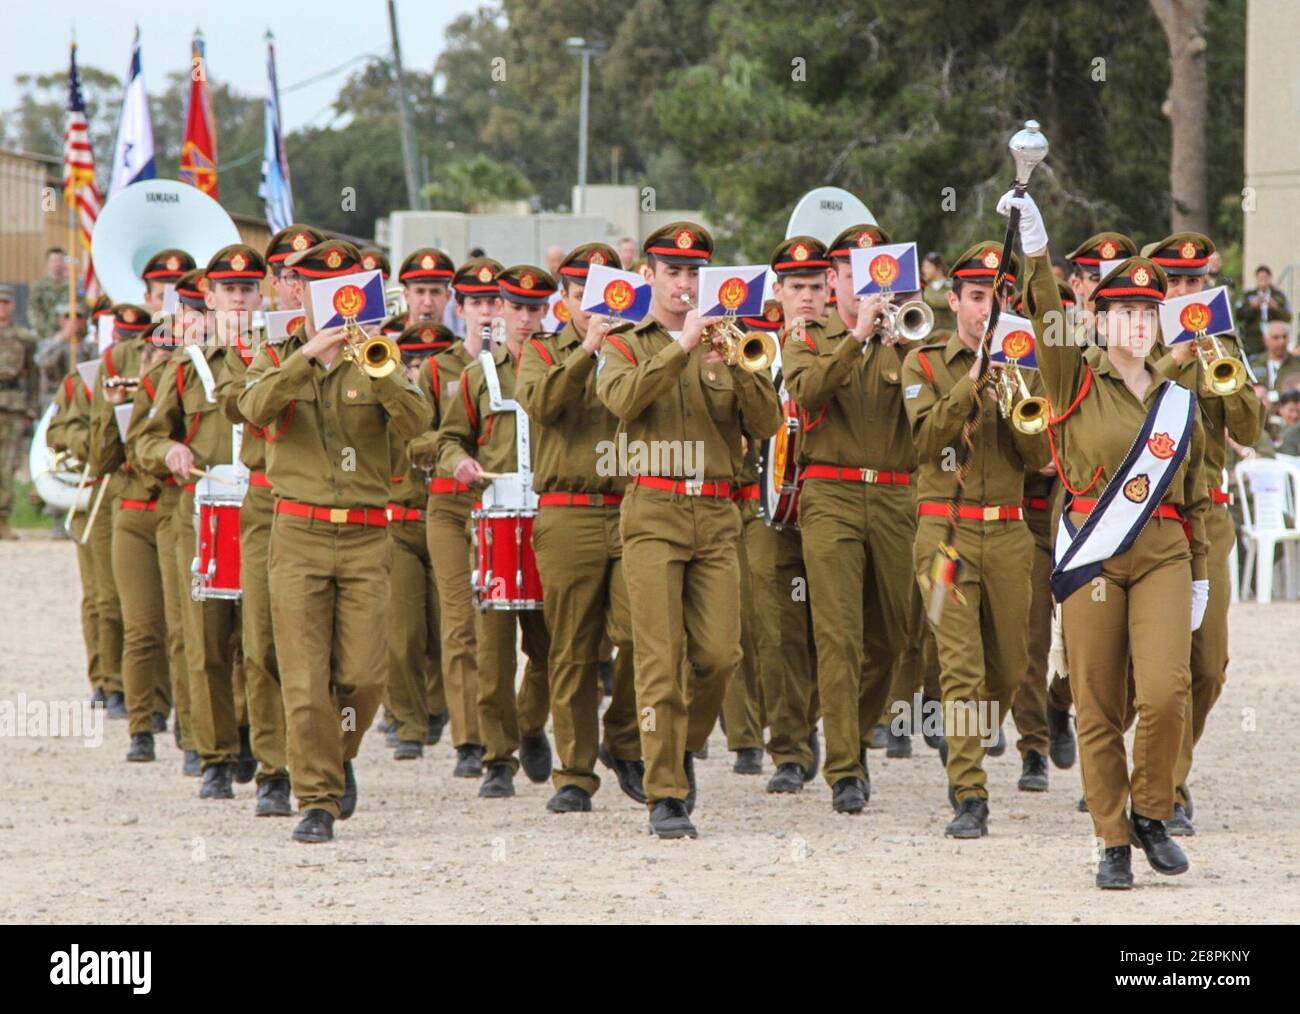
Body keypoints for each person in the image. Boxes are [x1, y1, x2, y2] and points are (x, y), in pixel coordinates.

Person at [1010, 187, 1209, 889]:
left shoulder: (1177, 392)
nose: (1134, 323)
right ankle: (1112, 838)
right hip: (1095, 550)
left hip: (1164, 549)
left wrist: (1204, 571)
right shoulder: (1071, 374)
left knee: (1164, 691)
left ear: (1158, 322)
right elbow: (1041, 311)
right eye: (1122, 310)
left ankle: (1153, 811)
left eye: (1145, 312)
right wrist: (1037, 250)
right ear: (1097, 317)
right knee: (1095, 701)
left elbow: (1192, 487)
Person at [237, 239, 432, 843]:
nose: (333, 299)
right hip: (296, 532)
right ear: (302, 294)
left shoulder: (381, 354)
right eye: (319, 288)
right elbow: (251, 409)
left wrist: (381, 368)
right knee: (302, 677)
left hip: (368, 536)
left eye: (346, 288)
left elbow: (421, 426)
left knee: (364, 677)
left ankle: (336, 750)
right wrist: (310, 357)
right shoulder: (275, 352)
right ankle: (316, 798)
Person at [596, 221, 782, 838]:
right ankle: (665, 795)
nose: (683, 284)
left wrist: (742, 362)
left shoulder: (728, 342)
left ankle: (674, 751)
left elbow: (768, 424)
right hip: (652, 511)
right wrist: (681, 348)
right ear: (648, 276)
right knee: (658, 657)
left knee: (720, 656)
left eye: (693, 273)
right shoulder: (627, 342)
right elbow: (623, 401)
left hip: (718, 513)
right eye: (671, 272)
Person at [901, 241, 1051, 839]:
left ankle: (966, 734)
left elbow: (1042, 458)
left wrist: (1014, 397)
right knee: (960, 667)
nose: (986, 310)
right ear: (955, 299)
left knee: (1010, 668)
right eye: (977, 298)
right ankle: (969, 793)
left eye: (998, 298)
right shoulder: (924, 363)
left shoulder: (1026, 364)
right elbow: (925, 439)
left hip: (1011, 532)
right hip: (945, 534)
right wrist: (971, 383)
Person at [780, 233, 921, 815]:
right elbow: (808, 393)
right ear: (833, 280)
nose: (859, 282)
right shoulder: (807, 337)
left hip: (895, 496)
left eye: (873, 272)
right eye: (845, 270)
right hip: (830, 492)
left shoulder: (910, 338)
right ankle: (843, 767)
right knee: (837, 634)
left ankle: (856, 736)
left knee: (895, 636)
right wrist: (858, 335)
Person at [516, 242, 645, 811]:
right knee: (571, 648)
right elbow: (542, 407)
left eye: (603, 297)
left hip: (630, 508)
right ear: (563, 301)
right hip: (566, 511)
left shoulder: (639, 348)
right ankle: (574, 773)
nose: (592, 307)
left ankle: (623, 737)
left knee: (643, 634)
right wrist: (588, 349)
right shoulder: (541, 352)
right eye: (579, 297)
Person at [1146, 231, 1266, 836]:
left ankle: (1168, 773)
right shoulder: (1132, 340)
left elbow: (1250, 427)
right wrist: (1176, 357)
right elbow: (1133, 404)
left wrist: (1228, 368)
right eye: (1177, 282)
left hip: (1208, 518)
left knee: (1209, 664)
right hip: (1151, 519)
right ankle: (1162, 788)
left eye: (1197, 282)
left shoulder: (1222, 346)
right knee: (1154, 670)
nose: (1189, 292)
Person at [137, 245, 267, 801]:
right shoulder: (186, 365)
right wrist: (168, 453)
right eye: (228, 291)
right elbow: (146, 435)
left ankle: (260, 744)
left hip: (264, 513)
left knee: (263, 643)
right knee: (208, 641)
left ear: (259, 296)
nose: (238, 299)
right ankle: (213, 753)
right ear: (209, 298)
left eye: (247, 290)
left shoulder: (279, 357)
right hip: (204, 514)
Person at [435, 263, 556, 799]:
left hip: (554, 520)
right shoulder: (475, 376)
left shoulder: (564, 365)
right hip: (496, 520)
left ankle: (530, 723)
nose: (527, 319)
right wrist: (459, 461)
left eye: (536, 309)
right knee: (494, 647)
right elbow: (446, 441)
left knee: (554, 645)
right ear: (499, 310)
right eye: (517, 309)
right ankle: (497, 756)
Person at [409, 256, 503, 780]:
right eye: (478, 303)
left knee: (502, 626)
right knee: (459, 623)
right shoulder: (436, 368)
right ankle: (469, 739)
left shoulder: (520, 365)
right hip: (449, 506)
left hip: (506, 504)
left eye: (496, 302)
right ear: (459, 309)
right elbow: (415, 436)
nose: (488, 312)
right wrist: (452, 457)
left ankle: (511, 728)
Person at [90, 316, 172, 763]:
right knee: (141, 627)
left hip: (176, 516)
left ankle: (188, 728)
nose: (160, 364)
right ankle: (141, 726)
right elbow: (101, 460)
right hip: (133, 517)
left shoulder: (182, 396)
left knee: (182, 631)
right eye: (154, 356)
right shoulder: (130, 396)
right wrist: (113, 407)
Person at [385, 322, 454, 760]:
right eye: (411, 363)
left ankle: (437, 708)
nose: (419, 371)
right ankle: (407, 721)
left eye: (429, 363)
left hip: (446, 519)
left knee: (446, 628)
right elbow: (415, 445)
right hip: (402, 520)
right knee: (404, 631)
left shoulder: (454, 400)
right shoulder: (393, 401)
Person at [45, 361, 105, 697]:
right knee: (100, 598)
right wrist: (90, 442)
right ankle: (107, 681)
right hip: (96, 493)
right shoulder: (80, 379)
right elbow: (55, 433)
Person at [0, 284, 39, 540]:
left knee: (7, 464)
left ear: (12, 306)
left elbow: (33, 377)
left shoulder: (24, 337)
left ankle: (2, 518)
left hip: (11, 404)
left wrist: (32, 408)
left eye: (6, 302)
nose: (2, 307)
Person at [1236, 265, 1291, 358]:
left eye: (1265, 278)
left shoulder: (1278, 295)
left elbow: (1288, 317)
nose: (1263, 281)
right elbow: (1239, 316)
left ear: (1270, 278)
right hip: (1253, 338)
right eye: (1260, 278)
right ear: (1256, 279)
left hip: (1274, 336)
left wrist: (1275, 307)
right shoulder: (1248, 295)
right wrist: (1252, 307)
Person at [28, 247, 70, 344]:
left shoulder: (73, 287)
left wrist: (67, 332)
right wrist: (51, 334)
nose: (57, 264)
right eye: (54, 261)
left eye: (60, 260)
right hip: (45, 338)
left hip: (71, 338)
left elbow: (82, 310)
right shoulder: (38, 287)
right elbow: (34, 314)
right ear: (48, 263)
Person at [1250, 320, 1300, 398]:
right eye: (1276, 338)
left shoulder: (1297, 364)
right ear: (1265, 340)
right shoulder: (1253, 364)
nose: (1281, 342)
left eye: (1284, 337)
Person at [921, 251, 955, 332]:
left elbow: (943, 303)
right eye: (923, 267)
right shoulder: (924, 287)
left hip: (950, 332)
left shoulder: (952, 284)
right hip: (929, 335)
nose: (924, 270)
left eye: (928, 266)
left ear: (938, 267)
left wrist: (925, 296)